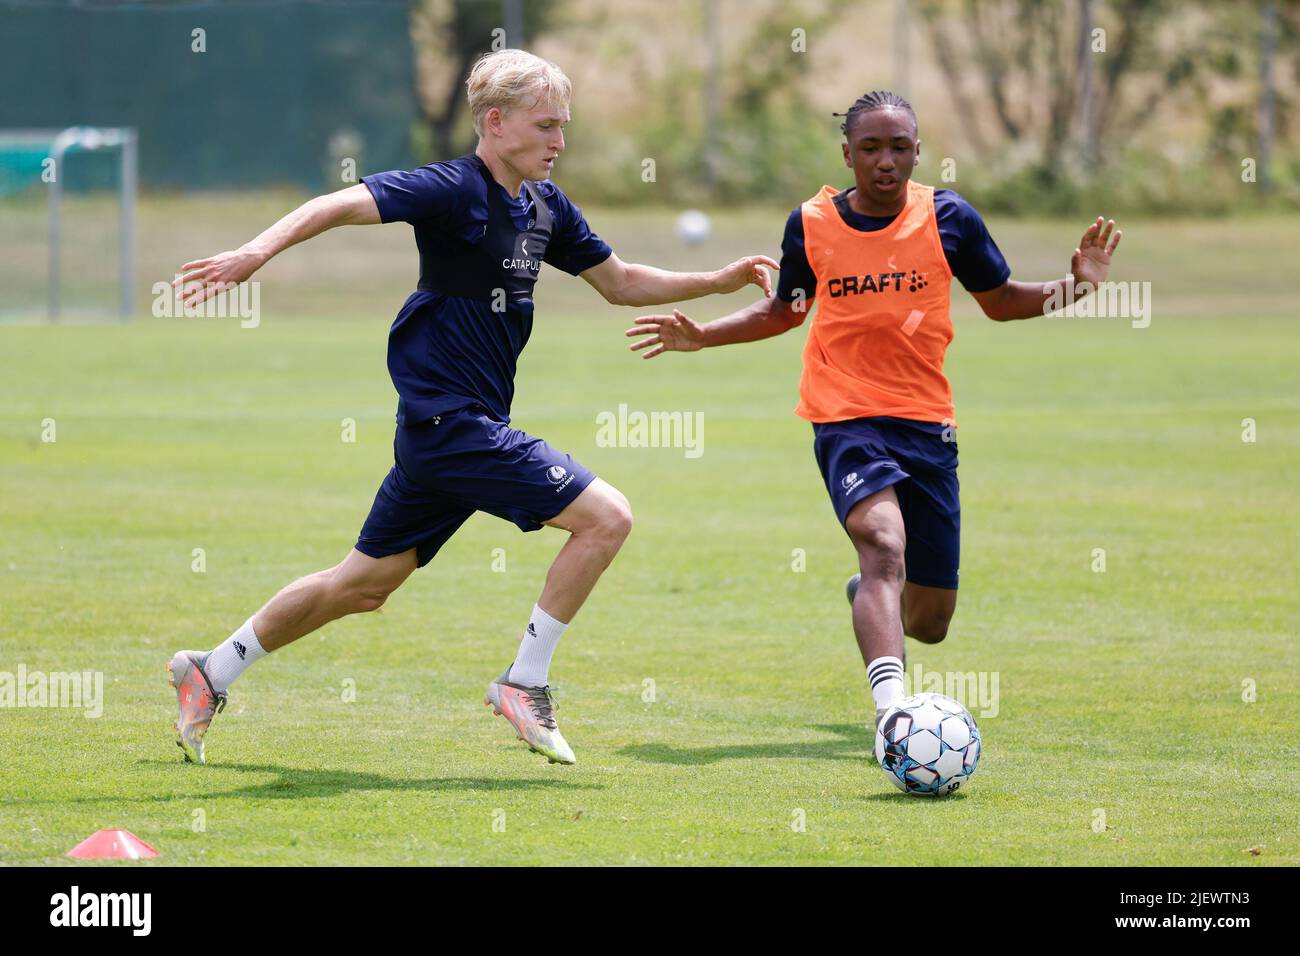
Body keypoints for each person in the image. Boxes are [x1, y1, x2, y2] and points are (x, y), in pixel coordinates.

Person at [166, 49, 778, 766]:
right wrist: (254, 253)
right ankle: (525, 681)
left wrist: (717, 281)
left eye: (563, 126)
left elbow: (620, 282)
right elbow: (336, 205)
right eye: (546, 126)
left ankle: (210, 670)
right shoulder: (452, 189)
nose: (560, 141)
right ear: (495, 122)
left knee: (361, 586)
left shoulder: (545, 206)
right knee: (607, 517)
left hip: (453, 434)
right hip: (452, 425)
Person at [626, 90, 1122, 731]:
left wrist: (1077, 287)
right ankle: (894, 717)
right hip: (845, 415)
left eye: (898, 147)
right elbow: (786, 311)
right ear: (847, 154)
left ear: (918, 152)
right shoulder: (812, 224)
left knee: (931, 622)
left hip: (926, 421)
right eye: (870, 148)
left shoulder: (950, 218)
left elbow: (1000, 300)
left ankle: (870, 597)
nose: (885, 160)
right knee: (884, 544)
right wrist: (705, 336)